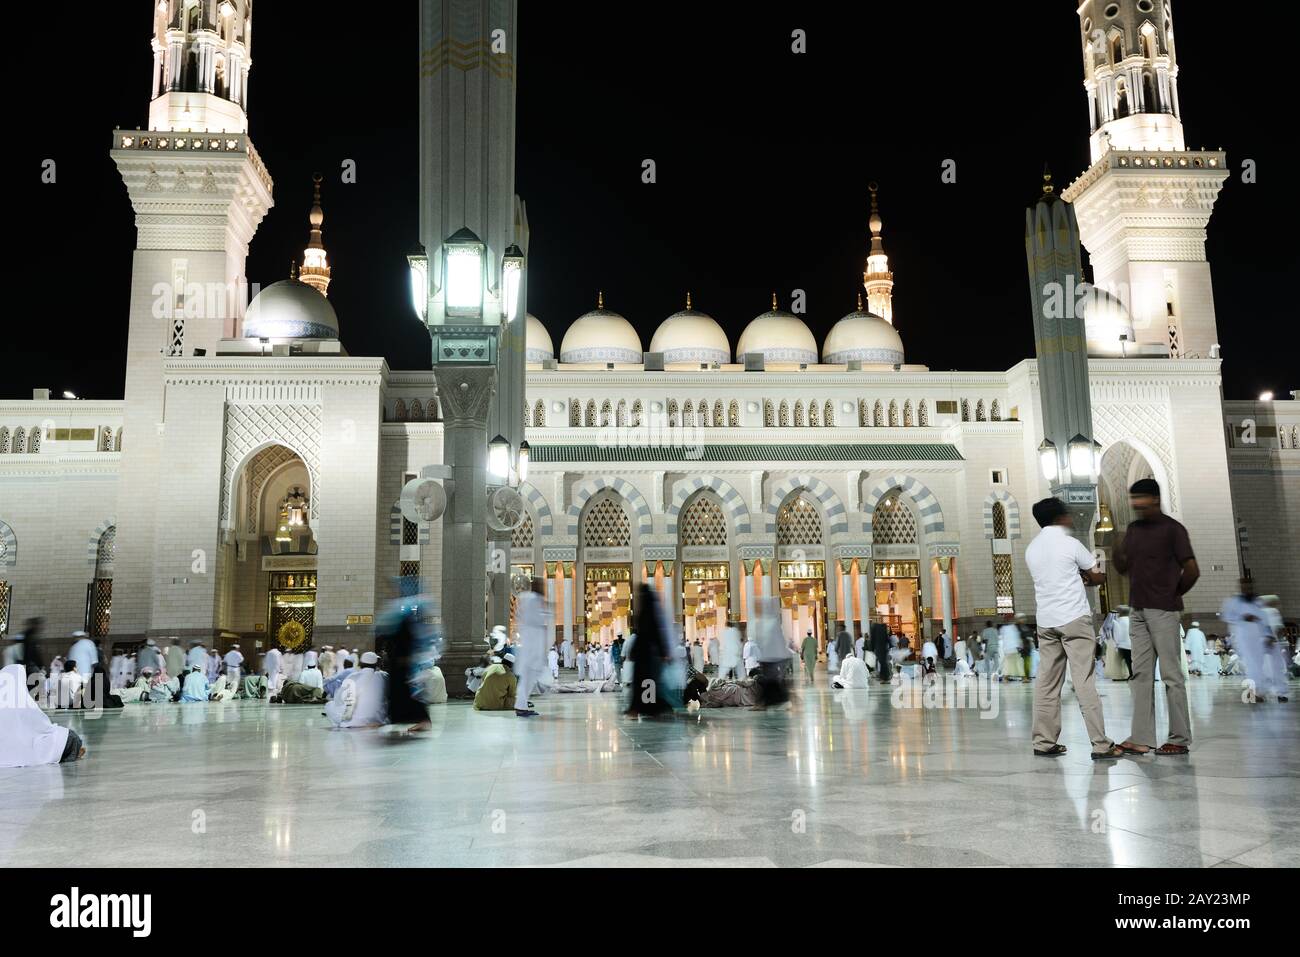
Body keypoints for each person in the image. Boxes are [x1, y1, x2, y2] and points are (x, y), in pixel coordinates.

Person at [1024, 497, 1123, 760]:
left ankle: (1043, 742)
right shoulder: (1071, 543)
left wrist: (1079, 576)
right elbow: (1098, 576)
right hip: (1074, 619)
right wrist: (1089, 576)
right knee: (1084, 680)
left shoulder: (1032, 549)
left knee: (1046, 683)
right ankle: (1101, 744)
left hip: (1046, 622)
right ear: (1060, 518)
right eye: (1066, 514)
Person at [1112, 478, 1199, 755]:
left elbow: (1192, 569)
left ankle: (1179, 737)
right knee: (1141, 674)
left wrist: (1172, 595)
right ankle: (1141, 737)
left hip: (1163, 609)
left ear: (1155, 499)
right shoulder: (1134, 530)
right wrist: (1116, 551)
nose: (1136, 503)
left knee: (1172, 675)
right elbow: (1124, 567)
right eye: (1133, 498)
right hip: (1137, 609)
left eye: (1141, 498)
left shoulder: (1173, 530)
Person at [1, 665, 86, 767]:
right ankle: (72, 751)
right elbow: (43, 726)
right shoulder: (23, 701)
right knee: (71, 737)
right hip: (27, 746)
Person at [1220, 580, 1285, 703]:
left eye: (1250, 587)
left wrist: (1269, 635)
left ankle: (1269, 690)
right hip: (1243, 637)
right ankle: (1255, 693)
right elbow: (1226, 616)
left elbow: (1263, 619)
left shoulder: (1256, 601)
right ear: (1241, 587)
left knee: (1263, 663)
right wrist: (1242, 617)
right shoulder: (1234, 601)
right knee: (1252, 664)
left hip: (1259, 636)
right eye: (1245, 587)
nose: (1248, 589)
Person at [626, 583, 671, 717]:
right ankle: (647, 707)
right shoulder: (650, 611)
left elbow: (654, 634)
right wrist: (663, 652)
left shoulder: (647, 613)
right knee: (645, 681)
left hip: (645, 655)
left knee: (645, 682)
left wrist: (663, 652)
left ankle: (647, 708)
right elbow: (657, 634)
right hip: (647, 655)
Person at [514, 578, 550, 718]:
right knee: (529, 676)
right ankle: (521, 707)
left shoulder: (526, 598)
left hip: (529, 641)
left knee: (528, 677)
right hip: (533, 643)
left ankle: (521, 705)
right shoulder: (534, 599)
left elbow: (520, 615)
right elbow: (537, 619)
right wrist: (548, 611)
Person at [325, 651, 388, 728]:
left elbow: (338, 700)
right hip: (378, 720)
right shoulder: (384, 676)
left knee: (329, 705)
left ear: (360, 664)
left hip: (354, 722)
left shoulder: (352, 676)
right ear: (376, 664)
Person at [754, 598, 793, 707]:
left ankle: (771, 701)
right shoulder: (765, 622)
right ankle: (774, 701)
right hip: (769, 657)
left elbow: (776, 640)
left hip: (772, 656)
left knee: (771, 680)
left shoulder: (770, 622)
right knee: (771, 679)